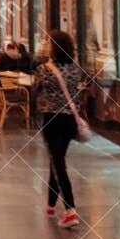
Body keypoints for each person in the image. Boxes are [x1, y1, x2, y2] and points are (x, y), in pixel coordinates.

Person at [35, 29, 86, 228]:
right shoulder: (75, 68)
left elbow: (36, 87)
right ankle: (50, 203)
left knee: (57, 162)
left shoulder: (45, 69)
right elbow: (80, 86)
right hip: (69, 120)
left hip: (51, 119)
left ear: (54, 48)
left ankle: (70, 209)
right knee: (57, 158)